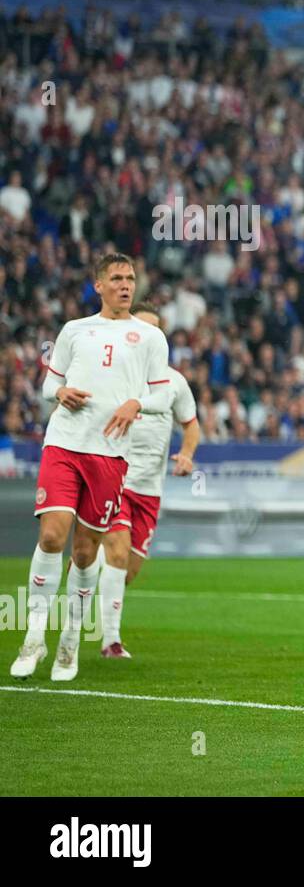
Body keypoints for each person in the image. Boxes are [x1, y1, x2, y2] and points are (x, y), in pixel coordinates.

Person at [11, 253, 171, 682]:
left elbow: (162, 396)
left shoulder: (150, 337)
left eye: (131, 278)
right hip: (64, 443)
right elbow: (49, 383)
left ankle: (69, 644)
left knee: (84, 553)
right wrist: (59, 392)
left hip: (110, 455)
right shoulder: (74, 330)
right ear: (98, 285)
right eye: (117, 278)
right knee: (51, 535)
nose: (125, 285)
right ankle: (33, 638)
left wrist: (137, 402)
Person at [93, 302, 200, 659]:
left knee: (128, 570)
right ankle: (110, 641)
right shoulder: (116, 375)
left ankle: (85, 570)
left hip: (151, 491)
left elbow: (191, 425)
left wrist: (187, 454)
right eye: (144, 328)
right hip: (116, 480)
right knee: (119, 555)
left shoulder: (174, 381)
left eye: (157, 330)